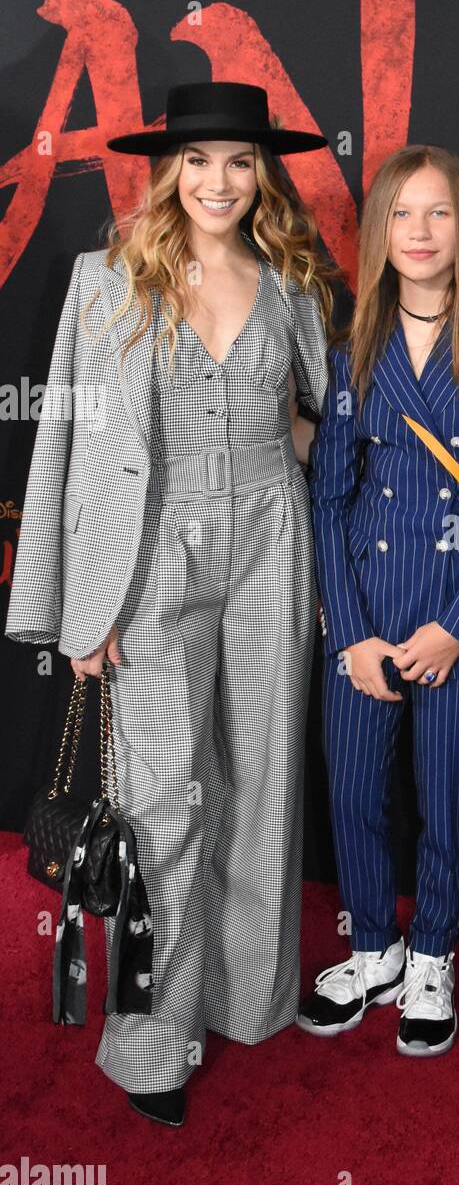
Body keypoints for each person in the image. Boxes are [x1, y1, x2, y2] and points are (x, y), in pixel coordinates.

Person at [5, 82, 342, 1127]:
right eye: (198, 162)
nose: (218, 182)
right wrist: (74, 605)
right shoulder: (104, 281)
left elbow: (324, 423)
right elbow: (61, 446)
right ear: (167, 172)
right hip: (148, 553)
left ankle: (246, 1001)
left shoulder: (292, 285)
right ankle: (151, 1041)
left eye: (239, 161)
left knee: (261, 775)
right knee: (161, 801)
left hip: (271, 537)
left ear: (262, 175)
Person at [297, 145, 459, 1056]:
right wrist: (350, 632)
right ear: (377, 232)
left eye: (439, 213)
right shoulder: (348, 349)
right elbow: (327, 498)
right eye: (402, 214)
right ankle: (373, 947)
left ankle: (433, 953)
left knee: (447, 803)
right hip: (366, 613)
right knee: (355, 795)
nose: (420, 232)